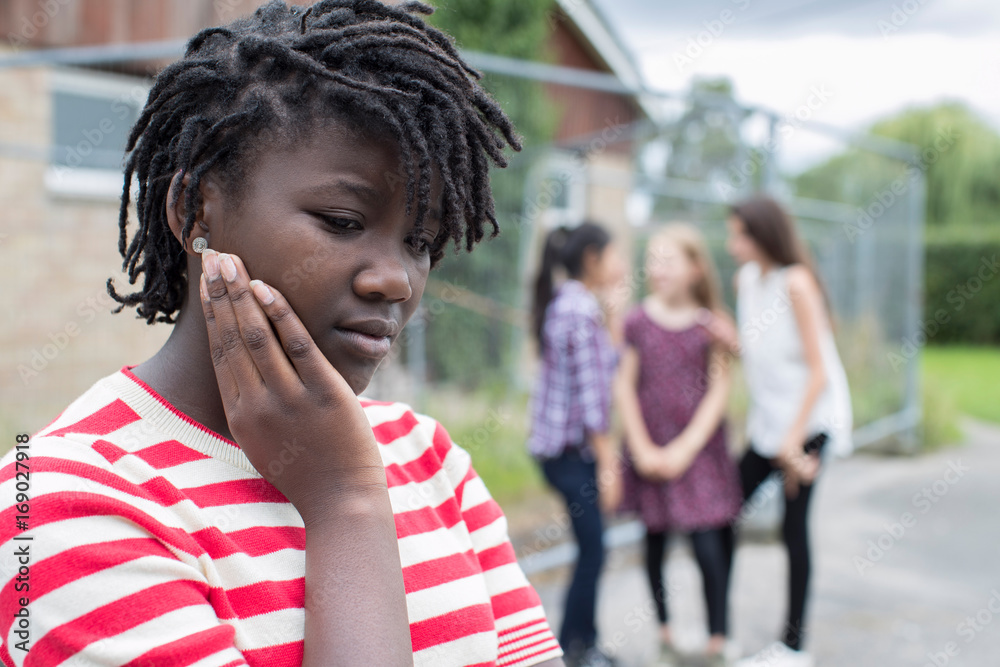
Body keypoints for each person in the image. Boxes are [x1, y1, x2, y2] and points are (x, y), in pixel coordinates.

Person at [0, 2, 566, 665]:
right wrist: (344, 502)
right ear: (193, 210)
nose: (396, 279)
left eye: (420, 241)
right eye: (342, 220)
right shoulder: (63, 504)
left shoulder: (429, 459)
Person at [720, 196, 853, 667]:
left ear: (764, 234)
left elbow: (818, 370)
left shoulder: (796, 282)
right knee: (723, 513)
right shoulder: (746, 281)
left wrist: (794, 442)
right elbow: (761, 348)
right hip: (769, 425)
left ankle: (794, 648)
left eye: (741, 235)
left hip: (808, 421)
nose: (733, 244)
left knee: (793, 529)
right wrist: (726, 340)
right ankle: (720, 632)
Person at [615, 225, 742, 667]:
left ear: (695, 268)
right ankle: (665, 634)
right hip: (649, 450)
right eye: (653, 259)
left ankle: (718, 640)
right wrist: (642, 448)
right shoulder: (637, 321)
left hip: (699, 454)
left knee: (709, 544)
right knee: (654, 540)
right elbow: (625, 386)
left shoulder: (711, 326)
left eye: (669, 260)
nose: (658, 269)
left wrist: (685, 450)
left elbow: (720, 389)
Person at [527, 223, 625, 667]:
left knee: (592, 548)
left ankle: (583, 643)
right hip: (570, 455)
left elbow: (607, 367)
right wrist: (608, 465)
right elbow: (592, 398)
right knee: (594, 549)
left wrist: (615, 316)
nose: (621, 265)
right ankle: (574, 648)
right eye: (614, 255)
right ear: (592, 258)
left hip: (562, 452)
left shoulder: (570, 303)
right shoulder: (579, 310)